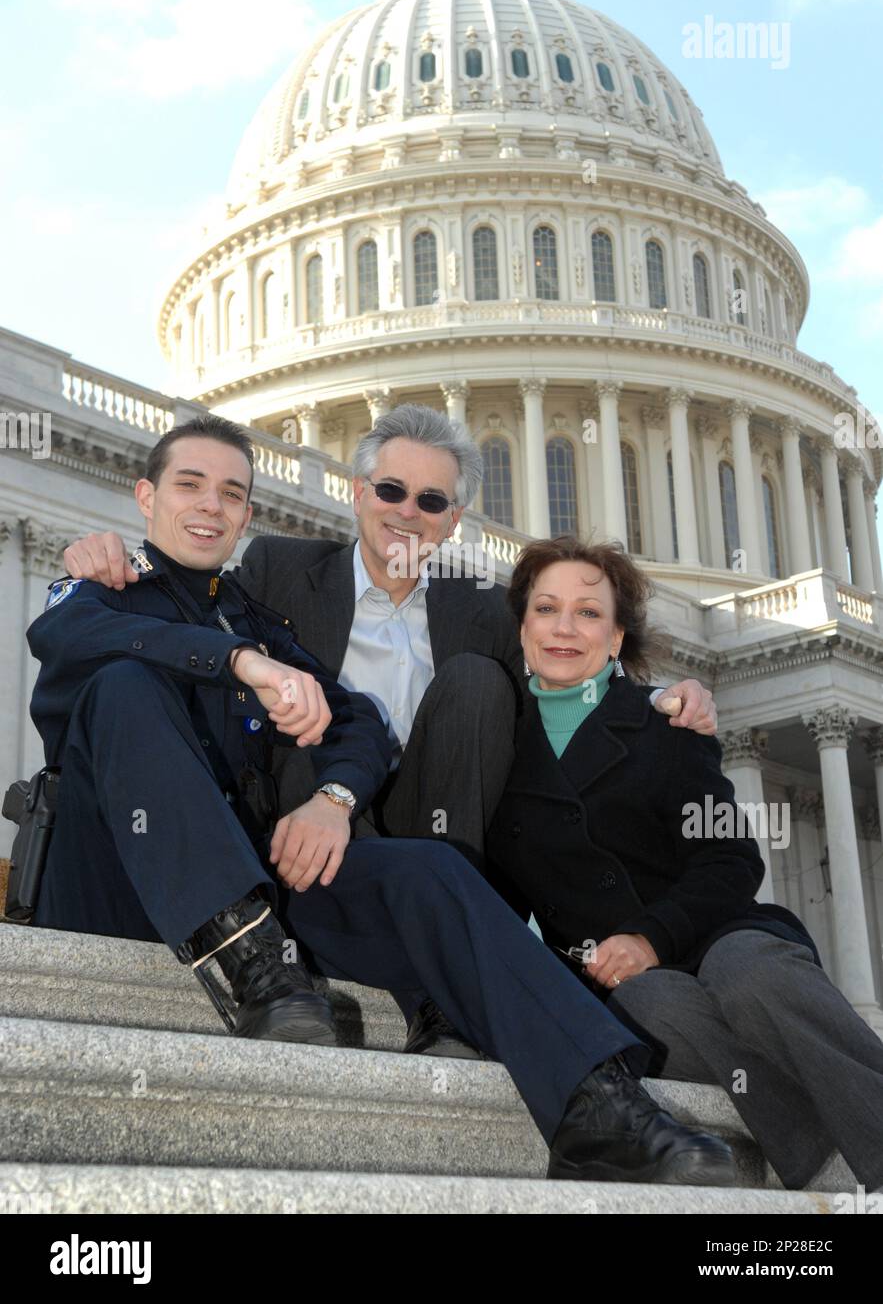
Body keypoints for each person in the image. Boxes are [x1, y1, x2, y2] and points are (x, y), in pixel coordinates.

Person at [26, 414, 738, 1187]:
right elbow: (67, 639)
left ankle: (600, 1109)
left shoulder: (257, 618)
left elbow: (361, 717)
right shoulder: (100, 592)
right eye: (189, 485)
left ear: (247, 515)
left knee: (430, 871)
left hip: (263, 899)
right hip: (121, 881)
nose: (210, 505)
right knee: (126, 684)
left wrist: (333, 794)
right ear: (143, 496)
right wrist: (240, 665)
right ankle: (250, 956)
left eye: (231, 492)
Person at [485, 535, 883, 1193]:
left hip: (712, 931)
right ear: (520, 627)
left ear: (615, 639)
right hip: (610, 972)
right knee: (652, 1002)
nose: (564, 627)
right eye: (545, 609)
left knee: (748, 975)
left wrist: (652, 935)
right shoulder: (492, 732)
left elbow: (730, 857)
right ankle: (825, 1167)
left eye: (588, 613)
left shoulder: (661, 724)